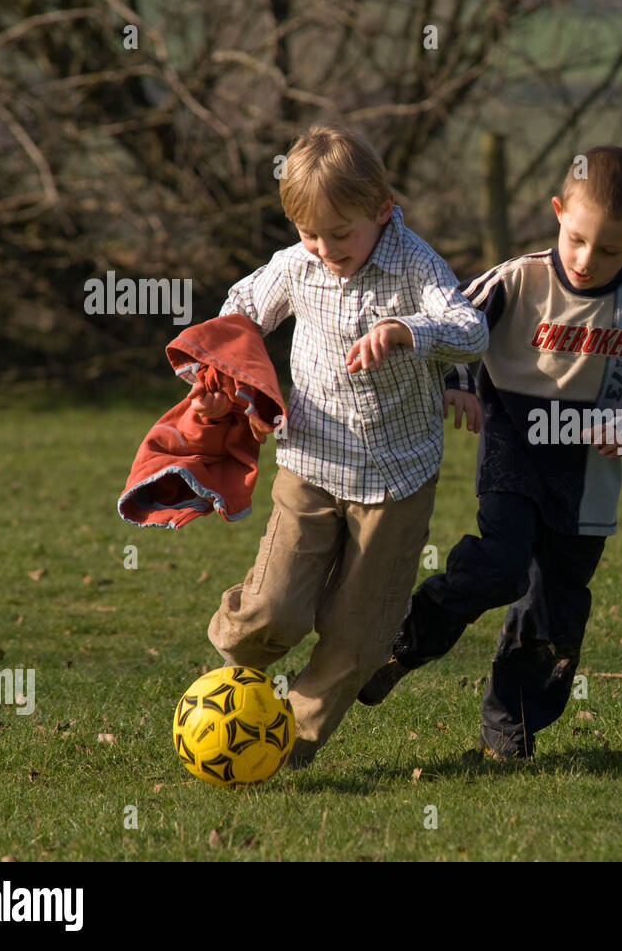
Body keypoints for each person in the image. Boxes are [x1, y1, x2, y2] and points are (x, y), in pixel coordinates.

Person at [359, 145, 622, 760]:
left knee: (555, 610)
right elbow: (454, 325)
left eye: (609, 250)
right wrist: (454, 382)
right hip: (513, 453)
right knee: (498, 567)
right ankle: (400, 644)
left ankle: (509, 731)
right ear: (558, 212)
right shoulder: (518, 279)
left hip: (585, 482)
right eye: (577, 239)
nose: (586, 259)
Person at [199, 124, 487, 768]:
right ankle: (231, 673)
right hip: (311, 461)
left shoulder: (416, 263)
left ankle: (281, 748)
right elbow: (241, 310)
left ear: (383, 210)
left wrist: (410, 331)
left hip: (398, 479)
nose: (326, 249)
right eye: (311, 234)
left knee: (357, 636)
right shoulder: (298, 265)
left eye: (341, 233)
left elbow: (471, 329)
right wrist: (227, 372)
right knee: (275, 609)